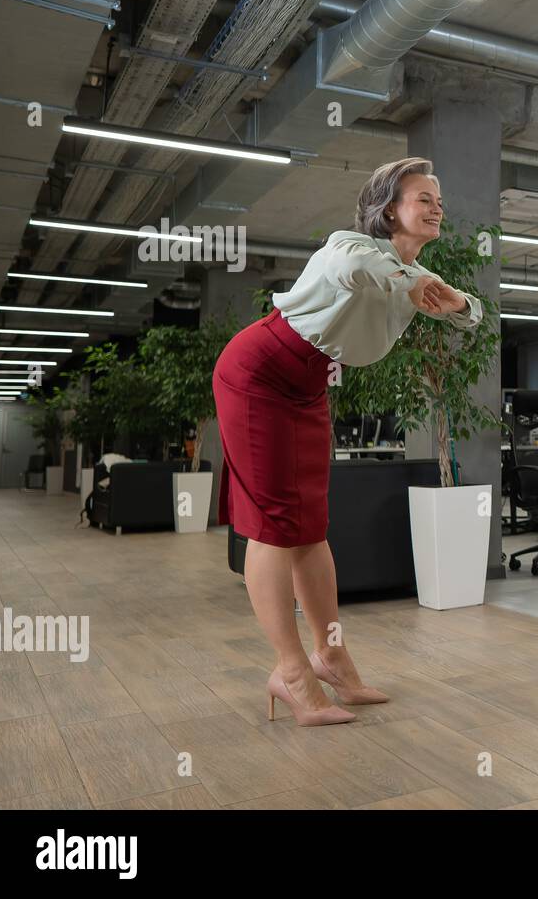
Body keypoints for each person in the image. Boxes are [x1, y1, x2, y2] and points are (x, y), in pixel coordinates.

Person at [213, 157, 482, 727]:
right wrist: (419, 283)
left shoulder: (413, 271)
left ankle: (330, 655)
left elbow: (469, 313)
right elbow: (362, 270)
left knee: (310, 525)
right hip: (259, 370)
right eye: (424, 199)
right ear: (389, 211)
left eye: (439, 199)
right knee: (274, 523)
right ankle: (290, 673)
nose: (438, 208)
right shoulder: (350, 248)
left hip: (309, 382)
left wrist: (455, 301)